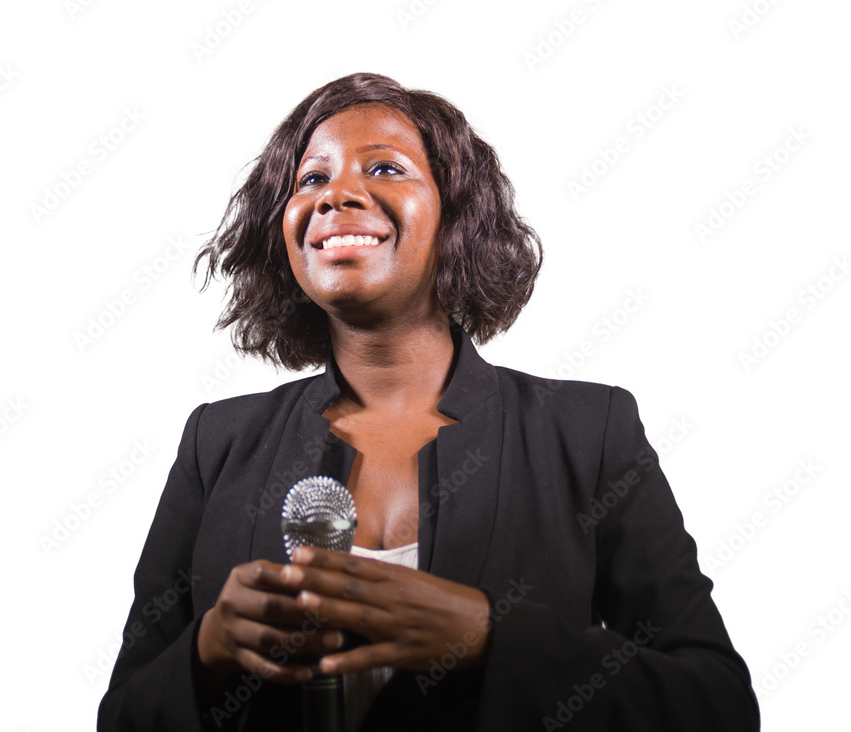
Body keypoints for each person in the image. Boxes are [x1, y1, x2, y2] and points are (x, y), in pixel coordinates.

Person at [97, 72, 760, 731]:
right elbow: (122, 717)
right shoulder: (218, 443)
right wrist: (207, 654)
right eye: (311, 180)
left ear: (456, 216)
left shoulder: (587, 435)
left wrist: (489, 638)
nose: (338, 195)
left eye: (384, 168)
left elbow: (717, 704)